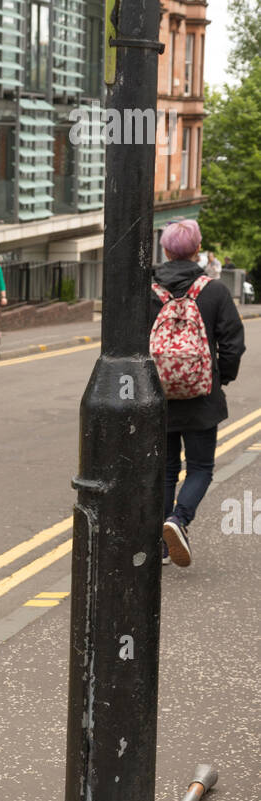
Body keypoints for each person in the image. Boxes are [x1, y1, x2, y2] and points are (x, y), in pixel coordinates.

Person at [151, 220, 244, 567]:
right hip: (201, 395)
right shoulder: (215, 291)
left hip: (158, 395)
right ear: (196, 250)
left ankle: (159, 546)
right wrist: (222, 379)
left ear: (165, 249)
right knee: (201, 467)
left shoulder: (149, 289)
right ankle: (178, 520)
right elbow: (233, 343)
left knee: (164, 470)